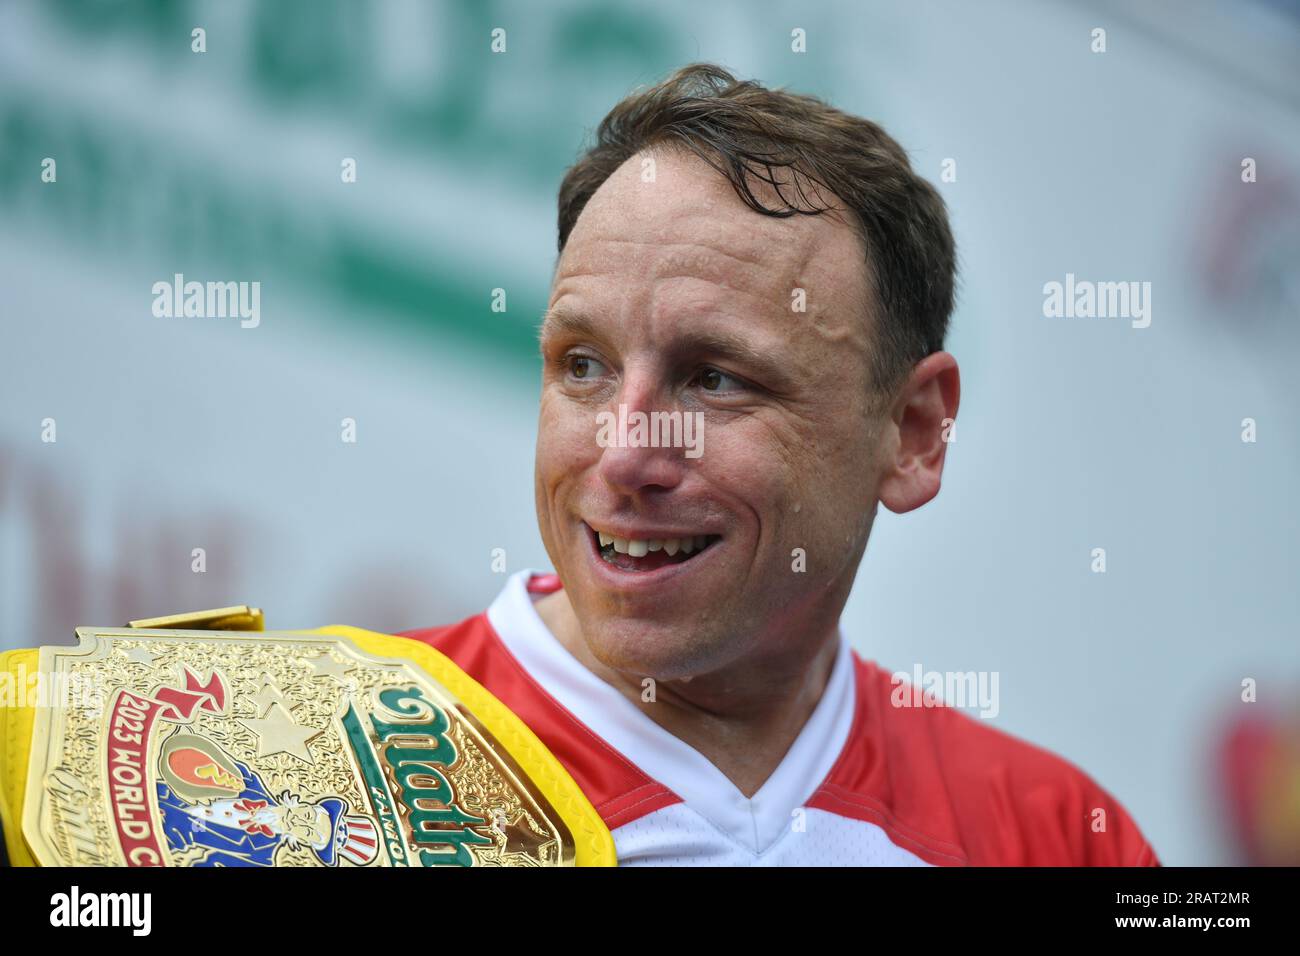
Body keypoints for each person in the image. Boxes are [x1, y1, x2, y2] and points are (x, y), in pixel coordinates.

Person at [403, 63, 1158, 867]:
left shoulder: (1058, 839)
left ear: (912, 432)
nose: (622, 456)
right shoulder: (298, 759)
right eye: (584, 365)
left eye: (714, 380)